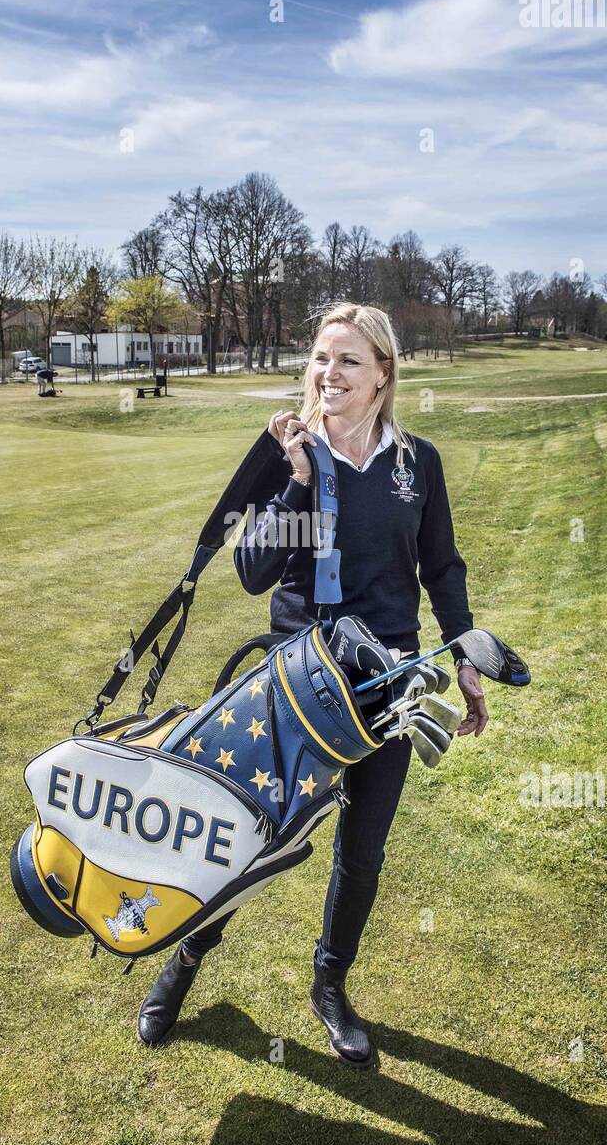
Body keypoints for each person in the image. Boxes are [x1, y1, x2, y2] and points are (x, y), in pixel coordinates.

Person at [138, 302, 487, 1065]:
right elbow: (251, 568)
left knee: (361, 852)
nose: (329, 374)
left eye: (348, 361)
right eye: (322, 359)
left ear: (383, 374)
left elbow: (441, 567)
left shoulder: (413, 464)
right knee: (245, 839)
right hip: (294, 686)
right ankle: (184, 962)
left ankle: (329, 986)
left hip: (384, 688)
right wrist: (296, 481)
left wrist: (462, 654)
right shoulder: (289, 450)